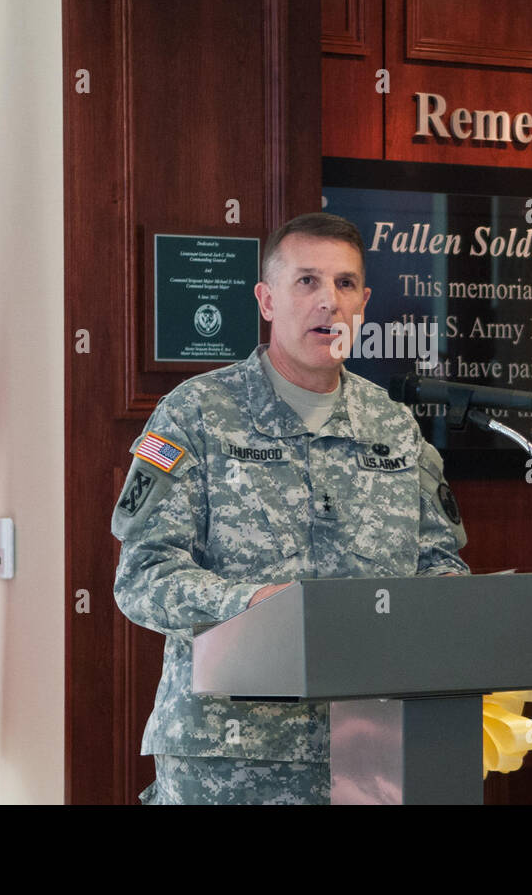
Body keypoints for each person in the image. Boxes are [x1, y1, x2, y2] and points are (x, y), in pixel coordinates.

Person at [111, 212, 469, 805]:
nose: (328, 301)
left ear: (364, 303)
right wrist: (253, 606)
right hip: (231, 760)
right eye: (306, 281)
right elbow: (143, 578)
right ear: (267, 299)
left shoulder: (395, 425)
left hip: (373, 751)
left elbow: (442, 567)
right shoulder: (195, 414)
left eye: (346, 284)